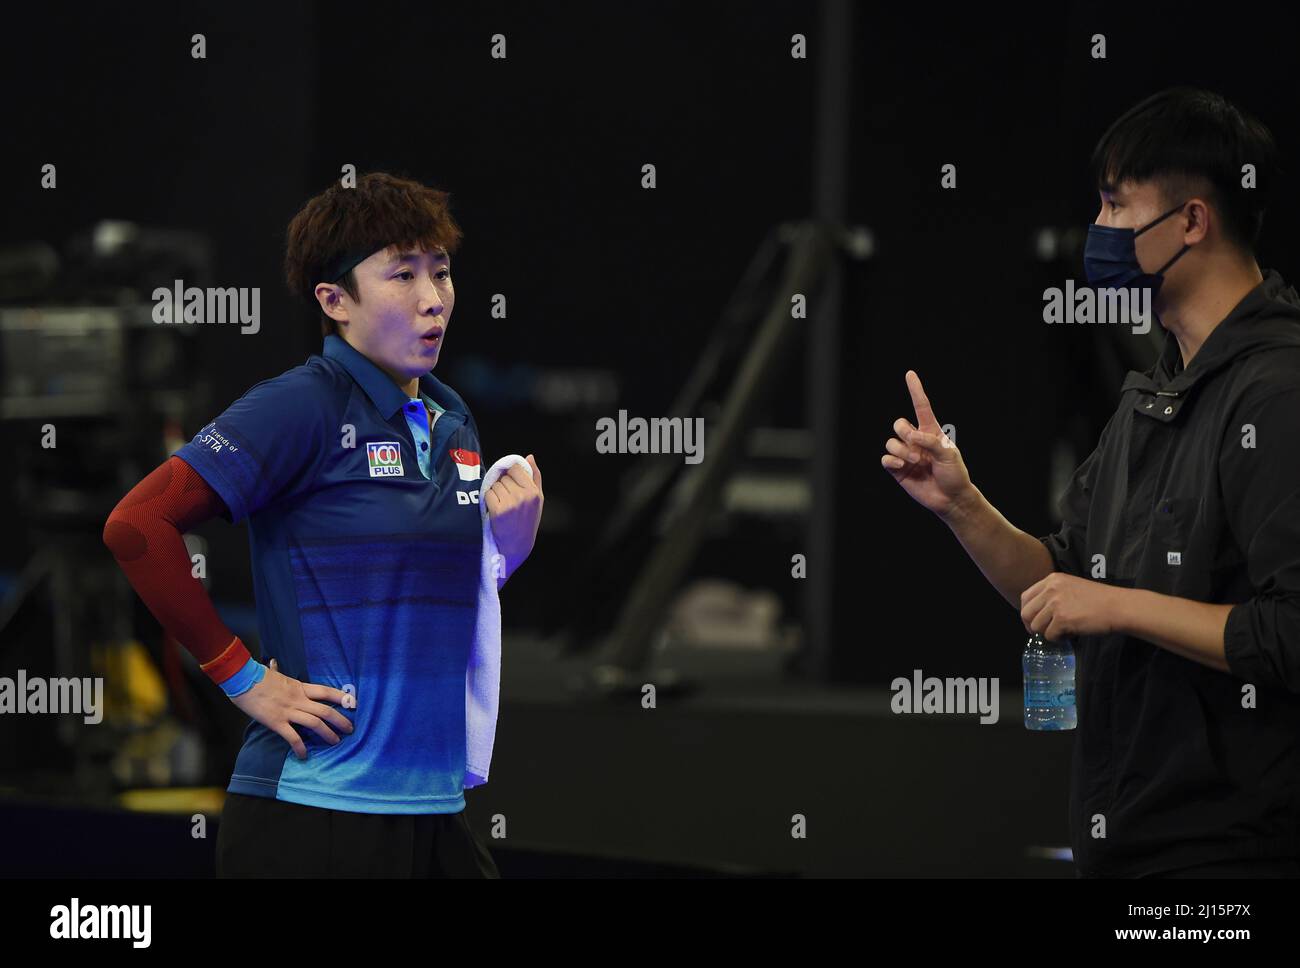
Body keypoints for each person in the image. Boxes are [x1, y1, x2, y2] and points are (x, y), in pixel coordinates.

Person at [881, 88, 1300, 878]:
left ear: (1192, 222)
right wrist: (962, 508)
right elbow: (1061, 583)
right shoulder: (1153, 396)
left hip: (1234, 859)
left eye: (1115, 206)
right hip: (1132, 844)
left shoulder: (1278, 394)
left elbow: (1290, 633)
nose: (1099, 231)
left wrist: (1119, 606)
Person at [103, 172, 544, 877]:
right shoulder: (301, 407)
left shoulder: (453, 417)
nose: (434, 300)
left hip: (436, 809)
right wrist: (242, 677)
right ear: (334, 300)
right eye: (403, 275)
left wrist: (508, 551)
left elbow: (430, 594)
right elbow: (137, 526)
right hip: (317, 813)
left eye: (442, 271)